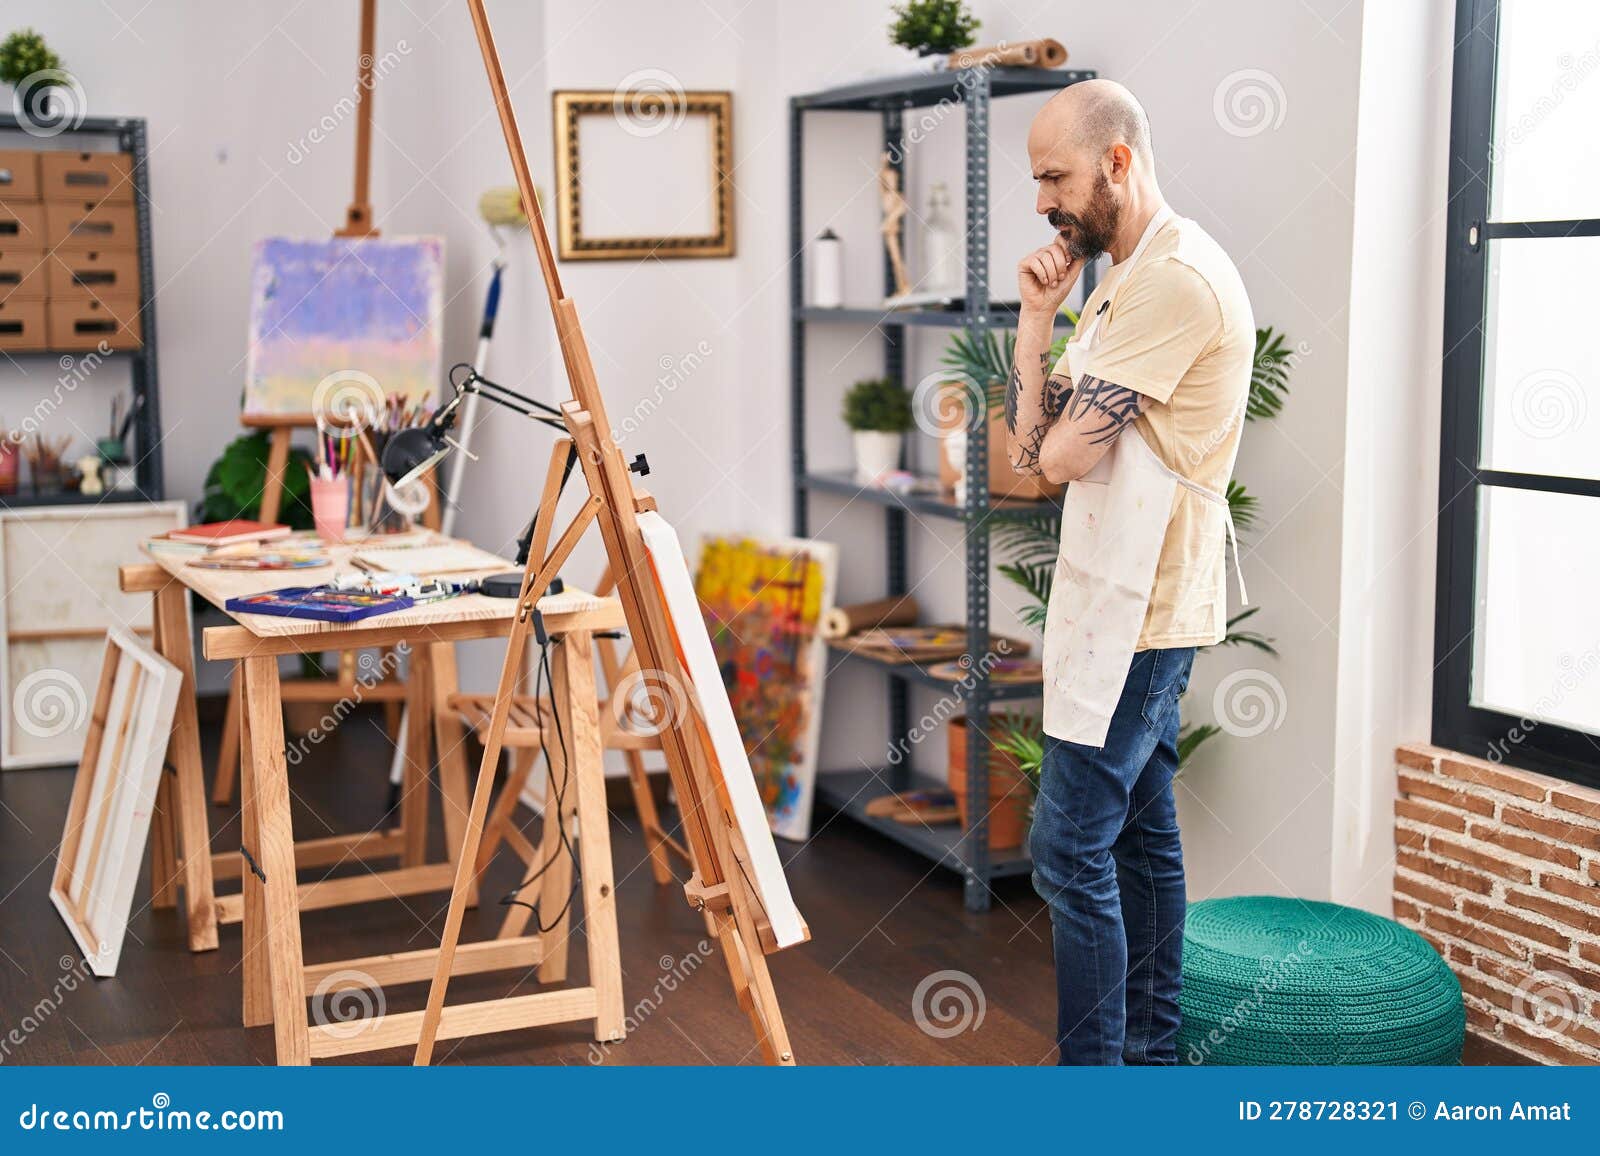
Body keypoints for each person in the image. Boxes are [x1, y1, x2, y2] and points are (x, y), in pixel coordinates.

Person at [1007, 79, 1254, 1065]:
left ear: (1117, 161)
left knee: (1067, 851)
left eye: (1053, 176)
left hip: (1145, 617)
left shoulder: (1175, 281)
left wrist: (1048, 424)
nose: (1040, 202)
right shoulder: (1117, 280)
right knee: (1142, 852)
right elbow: (1032, 464)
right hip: (1112, 604)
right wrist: (1033, 326)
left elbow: (1055, 458)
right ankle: (1148, 1069)